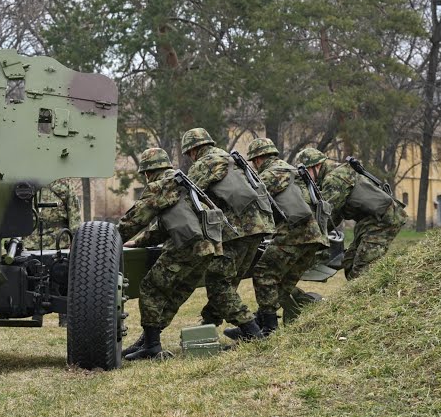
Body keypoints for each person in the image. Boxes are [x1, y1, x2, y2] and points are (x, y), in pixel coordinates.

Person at [118, 147, 225, 361]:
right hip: (209, 247)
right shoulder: (183, 182)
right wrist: (138, 241)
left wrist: (108, 239)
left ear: (148, 172)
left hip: (188, 246)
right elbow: (163, 227)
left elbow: (136, 218)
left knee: (150, 288)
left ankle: (151, 345)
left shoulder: (161, 186)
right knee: (175, 293)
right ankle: (148, 340)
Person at [180, 128, 276, 345]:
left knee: (218, 283)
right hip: (257, 228)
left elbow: (186, 197)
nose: (190, 158)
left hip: (235, 231)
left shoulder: (205, 163)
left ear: (194, 150)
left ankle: (252, 332)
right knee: (228, 281)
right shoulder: (231, 159)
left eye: (189, 154)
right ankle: (206, 328)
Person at [236, 138, 330, 338]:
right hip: (315, 237)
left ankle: (269, 328)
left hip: (295, 234)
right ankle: (260, 321)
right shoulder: (292, 171)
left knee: (263, 274)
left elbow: (248, 201)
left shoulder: (272, 174)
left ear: (259, 159)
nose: (254, 165)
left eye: (254, 162)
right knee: (281, 283)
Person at [296, 148, 407, 281]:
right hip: (368, 221)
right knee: (349, 264)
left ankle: (385, 291)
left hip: (384, 220)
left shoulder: (334, 179)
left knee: (362, 270)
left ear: (317, 166)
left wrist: (306, 237)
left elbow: (327, 215)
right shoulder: (332, 175)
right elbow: (334, 217)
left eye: (305, 172)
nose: (305, 177)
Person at [22, 178, 82, 251]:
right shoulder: (26, 184)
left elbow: (74, 214)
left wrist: (76, 242)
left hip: (58, 242)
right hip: (31, 243)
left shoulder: (64, 183)